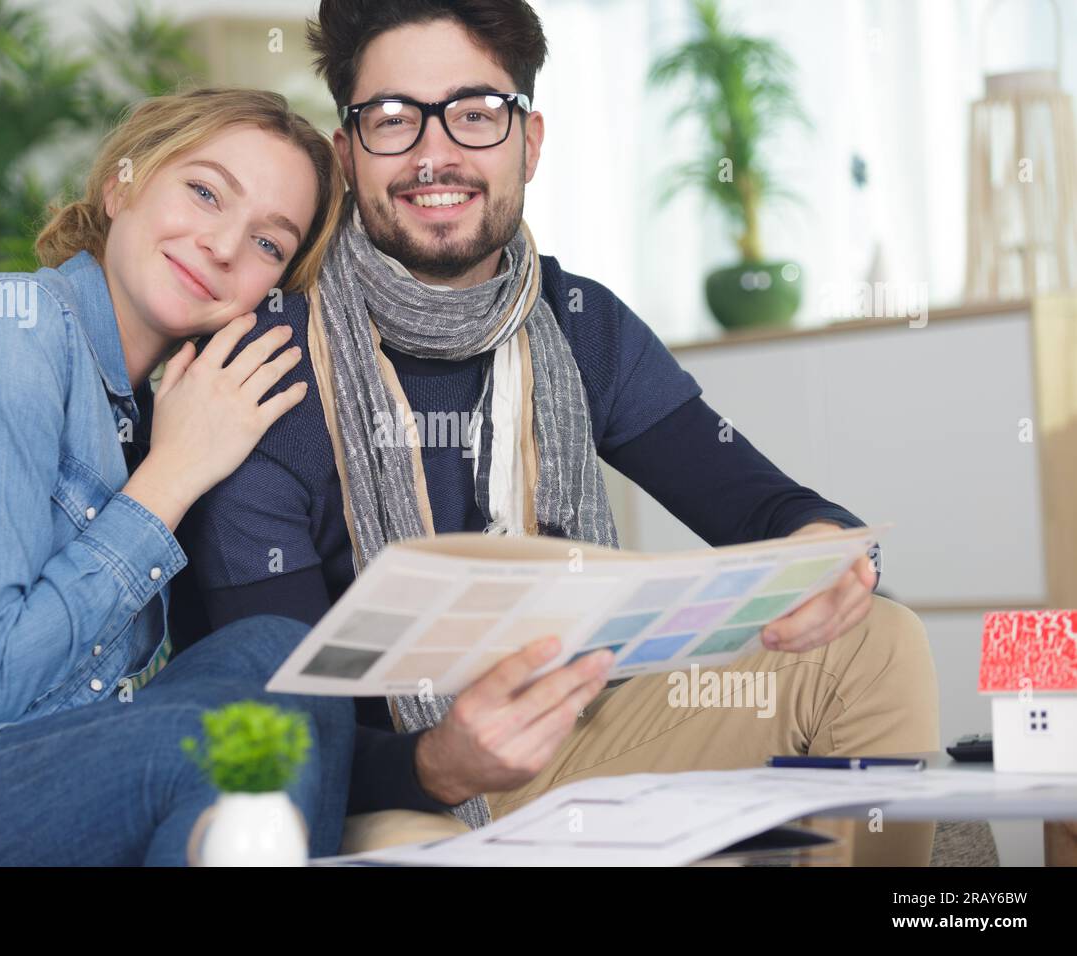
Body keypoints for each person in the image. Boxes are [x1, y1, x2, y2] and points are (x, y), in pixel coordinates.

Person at [170, 1, 940, 866]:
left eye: (475, 113)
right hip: (374, 785)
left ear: (529, 141)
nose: (435, 153)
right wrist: (440, 762)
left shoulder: (580, 325)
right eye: (392, 119)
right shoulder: (265, 366)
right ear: (347, 154)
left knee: (877, 639)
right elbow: (274, 735)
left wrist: (825, 548)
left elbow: (768, 507)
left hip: (578, 728)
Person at [0, 87, 354, 865]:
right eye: (205, 191)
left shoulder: (143, 419)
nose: (223, 244)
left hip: (11, 789)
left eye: (267, 245)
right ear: (121, 185)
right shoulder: (5, 329)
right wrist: (171, 476)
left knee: (284, 666)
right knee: (207, 744)